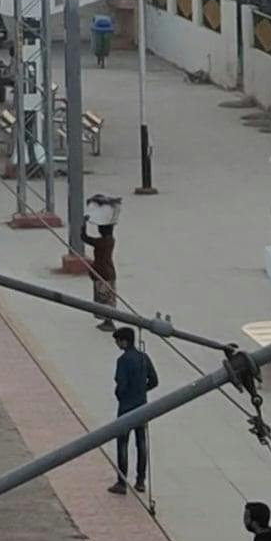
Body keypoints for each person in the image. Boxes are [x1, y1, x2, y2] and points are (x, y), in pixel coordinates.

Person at [107, 327, 157, 495]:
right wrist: (142, 390)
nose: (116, 344)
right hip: (142, 405)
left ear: (124, 341)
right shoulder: (144, 357)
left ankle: (122, 482)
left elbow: (121, 385)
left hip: (126, 408)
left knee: (122, 444)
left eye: (117, 341)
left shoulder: (123, 360)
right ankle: (140, 481)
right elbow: (154, 380)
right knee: (141, 443)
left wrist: (121, 396)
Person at [84, 190, 123, 319]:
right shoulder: (111, 240)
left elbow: (84, 237)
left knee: (102, 299)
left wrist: (84, 223)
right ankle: (109, 319)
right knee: (109, 298)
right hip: (110, 272)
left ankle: (106, 320)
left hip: (101, 273)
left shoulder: (100, 242)